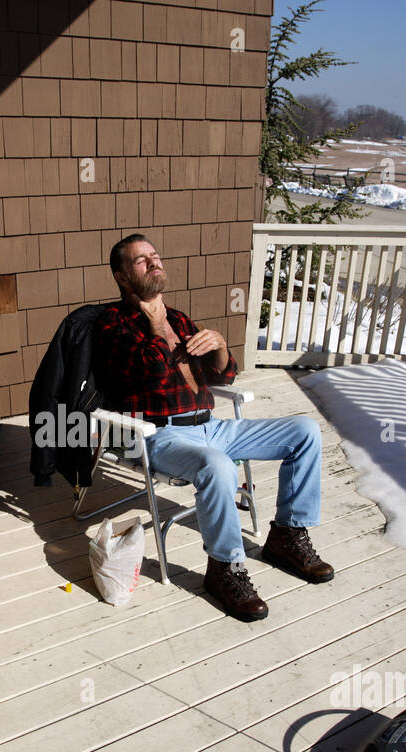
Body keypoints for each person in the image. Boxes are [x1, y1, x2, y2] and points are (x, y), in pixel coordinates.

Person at [92, 234, 334, 622]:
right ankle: (225, 568)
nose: (154, 263)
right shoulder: (111, 326)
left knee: (304, 431)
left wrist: (220, 344)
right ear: (122, 277)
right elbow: (153, 373)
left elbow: (224, 375)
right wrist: (155, 325)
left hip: (213, 426)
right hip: (162, 435)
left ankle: (287, 536)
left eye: (155, 255)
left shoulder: (181, 319)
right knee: (218, 465)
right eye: (142, 261)